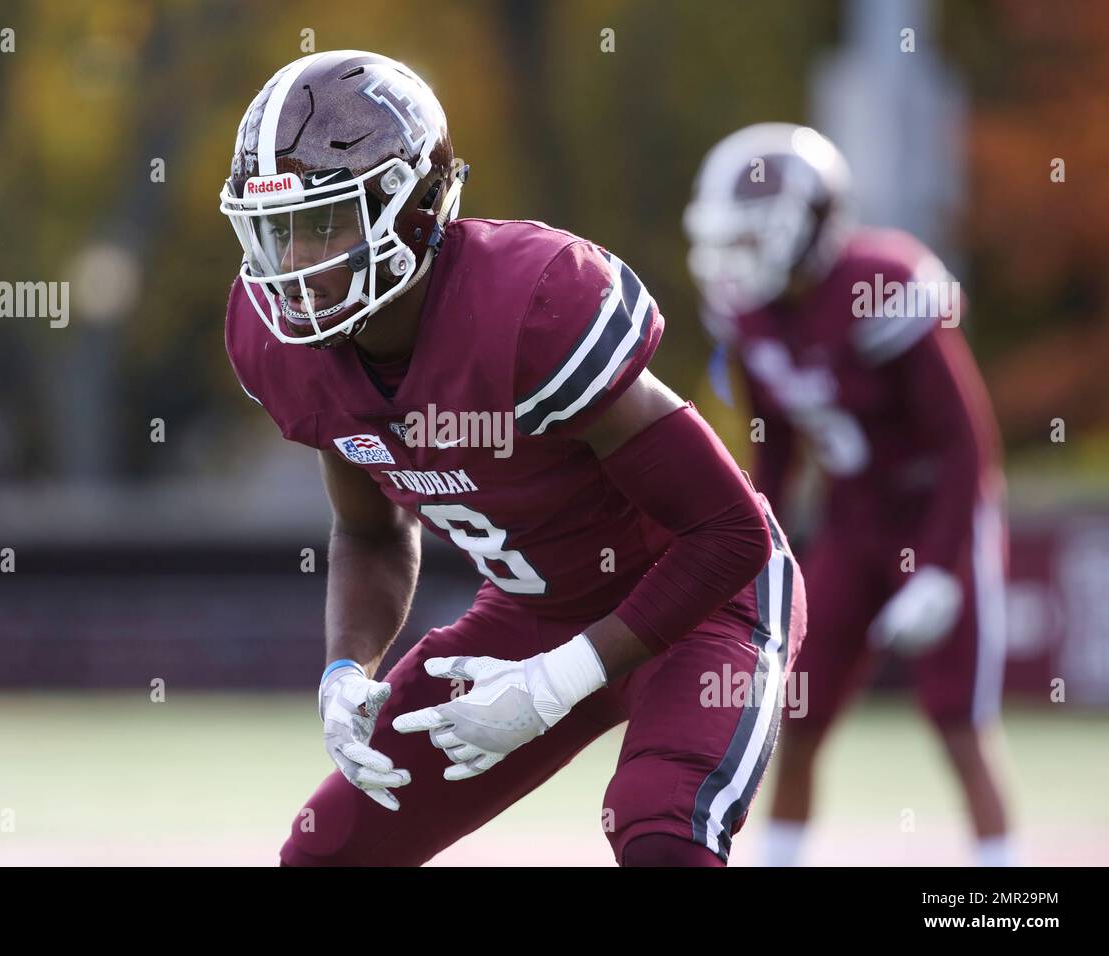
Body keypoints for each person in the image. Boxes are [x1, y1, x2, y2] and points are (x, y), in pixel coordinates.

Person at [221, 51, 805, 866]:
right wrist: (346, 670)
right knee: (330, 852)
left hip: (703, 601)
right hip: (538, 610)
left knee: (661, 830)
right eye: (275, 231)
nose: (293, 267)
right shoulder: (285, 348)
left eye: (323, 223)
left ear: (415, 209)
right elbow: (374, 532)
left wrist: (558, 682)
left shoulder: (532, 306)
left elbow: (731, 532)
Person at [684, 122, 1012, 866]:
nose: (736, 257)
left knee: (959, 721)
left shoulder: (880, 283)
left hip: (936, 516)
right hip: (852, 521)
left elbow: (964, 445)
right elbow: (776, 450)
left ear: (811, 227)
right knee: (797, 711)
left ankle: (1007, 892)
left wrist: (936, 569)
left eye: (754, 235)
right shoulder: (752, 314)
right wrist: (754, 543)